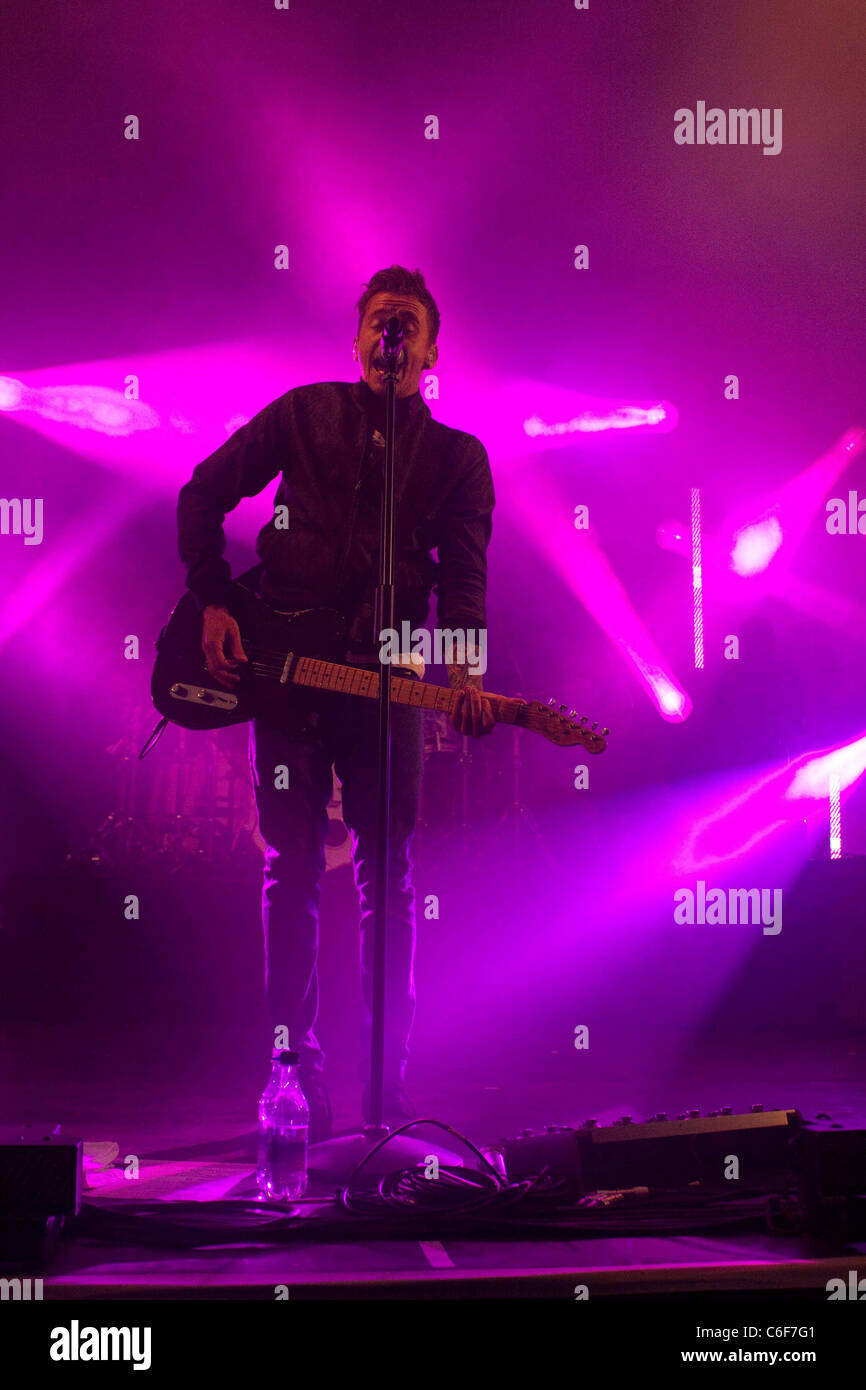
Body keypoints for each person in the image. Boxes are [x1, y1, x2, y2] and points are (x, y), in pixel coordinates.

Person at [177, 265, 495, 1140]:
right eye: (380, 321)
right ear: (358, 342)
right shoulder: (302, 413)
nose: (393, 333)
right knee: (291, 873)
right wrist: (213, 599)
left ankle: (385, 1092)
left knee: (388, 879)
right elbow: (202, 493)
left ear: (431, 353)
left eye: (409, 323)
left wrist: (465, 680)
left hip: (389, 666)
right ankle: (294, 1077)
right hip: (285, 666)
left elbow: (464, 585)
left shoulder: (458, 459)